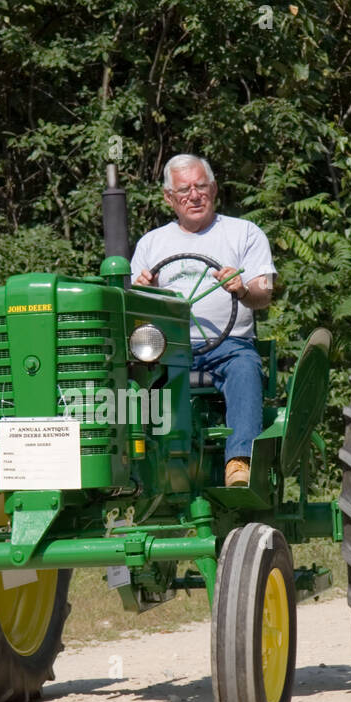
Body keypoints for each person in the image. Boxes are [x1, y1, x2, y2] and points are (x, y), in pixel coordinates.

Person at [130, 153, 275, 486]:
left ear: (214, 189)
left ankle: (239, 462)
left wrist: (240, 289)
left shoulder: (244, 233)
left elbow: (263, 293)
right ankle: (138, 465)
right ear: (169, 197)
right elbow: (133, 310)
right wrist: (143, 293)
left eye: (201, 186)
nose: (193, 196)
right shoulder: (151, 243)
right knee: (127, 375)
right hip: (167, 349)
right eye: (184, 190)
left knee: (244, 367)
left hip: (229, 345)